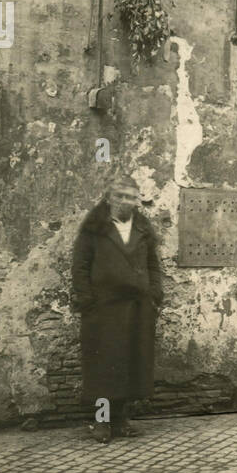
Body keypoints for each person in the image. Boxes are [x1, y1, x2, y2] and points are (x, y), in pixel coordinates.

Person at [71, 176, 164, 443]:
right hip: (104, 308)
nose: (125, 201)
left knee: (131, 364)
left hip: (137, 308)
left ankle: (121, 419)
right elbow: (80, 266)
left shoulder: (143, 229)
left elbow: (153, 264)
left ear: (137, 201)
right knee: (104, 365)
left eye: (131, 197)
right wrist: (87, 300)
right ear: (109, 198)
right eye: (120, 196)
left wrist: (154, 293)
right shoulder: (94, 229)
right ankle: (102, 423)